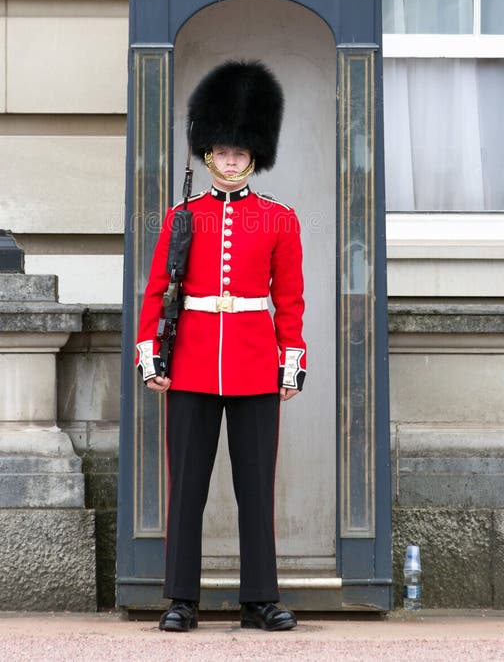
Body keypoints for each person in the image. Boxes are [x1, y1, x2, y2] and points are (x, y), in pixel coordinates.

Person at [135, 60, 306, 632]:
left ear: (254, 156)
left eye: (240, 152)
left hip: (256, 363)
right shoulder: (183, 217)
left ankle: (259, 598)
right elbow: (158, 291)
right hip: (190, 364)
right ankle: (181, 597)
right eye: (223, 152)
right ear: (209, 154)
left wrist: (291, 362)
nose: (231, 161)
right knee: (189, 487)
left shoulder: (279, 220)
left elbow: (290, 301)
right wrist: (150, 355)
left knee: (255, 487)